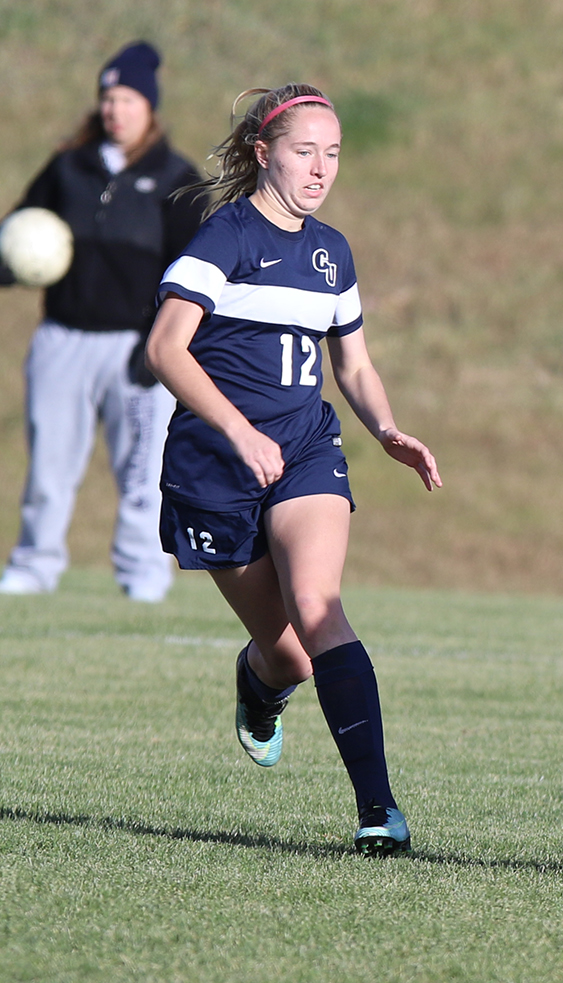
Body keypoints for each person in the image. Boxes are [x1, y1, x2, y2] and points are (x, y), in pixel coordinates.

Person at [147, 84, 441, 854]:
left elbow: (354, 362)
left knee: (319, 605)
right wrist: (239, 432)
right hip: (216, 465)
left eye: (333, 154)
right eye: (304, 151)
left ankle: (379, 813)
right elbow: (164, 349)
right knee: (288, 657)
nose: (320, 169)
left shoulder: (330, 251)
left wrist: (385, 428)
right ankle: (260, 687)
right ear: (263, 152)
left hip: (306, 449)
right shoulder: (225, 240)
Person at [0, 42, 200, 601]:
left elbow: (194, 273)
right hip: (62, 338)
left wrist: (160, 340)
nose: (115, 109)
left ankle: (143, 576)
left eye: (127, 98)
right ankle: (34, 565)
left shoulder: (175, 177)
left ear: (149, 107)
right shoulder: (69, 167)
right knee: (49, 467)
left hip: (137, 351)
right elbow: (19, 226)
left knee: (141, 473)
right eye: (108, 98)